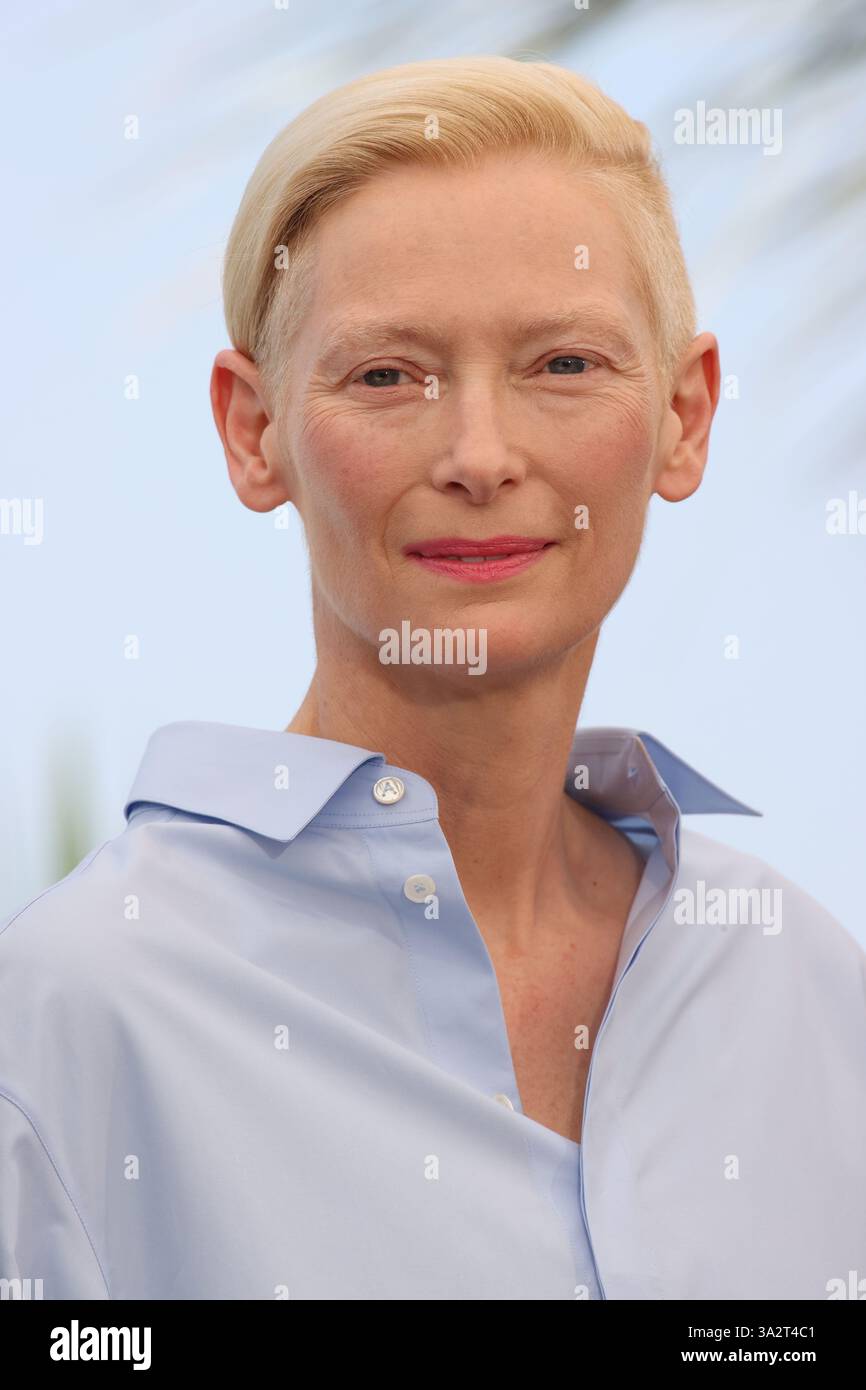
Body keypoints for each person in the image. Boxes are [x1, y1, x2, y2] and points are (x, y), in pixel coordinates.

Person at [1, 56, 863, 1302]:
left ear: (683, 416)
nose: (477, 453)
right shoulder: (68, 1019)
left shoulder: (804, 989)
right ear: (255, 431)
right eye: (386, 374)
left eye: (563, 364)